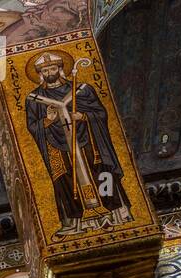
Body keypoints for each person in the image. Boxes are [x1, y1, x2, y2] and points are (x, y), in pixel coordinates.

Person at [24, 49, 130, 238]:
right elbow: (32, 126)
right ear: (40, 74)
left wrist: (83, 116)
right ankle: (73, 222)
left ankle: (116, 212)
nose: (49, 73)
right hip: (57, 145)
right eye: (45, 71)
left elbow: (101, 113)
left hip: (88, 139)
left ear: (60, 69)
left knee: (101, 171)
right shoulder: (34, 99)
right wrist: (47, 120)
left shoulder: (82, 89)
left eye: (52, 68)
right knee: (63, 179)